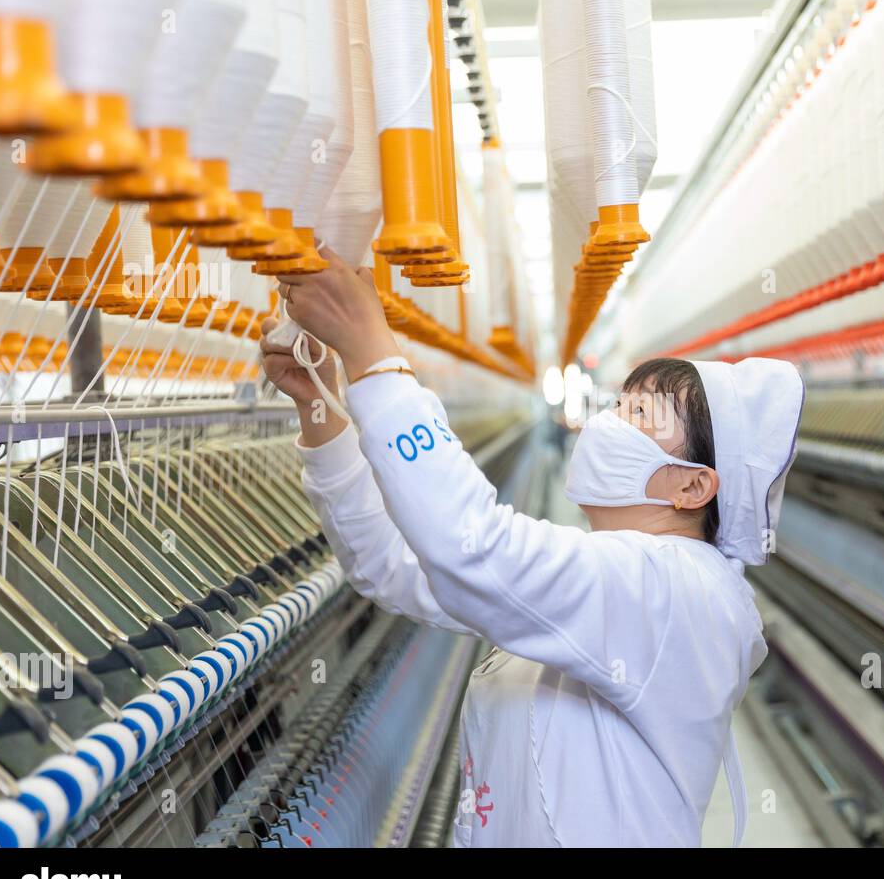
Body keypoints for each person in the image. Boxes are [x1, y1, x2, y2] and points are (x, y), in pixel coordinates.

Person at [261, 249, 805, 847]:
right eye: (617, 405)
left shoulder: (678, 593)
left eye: (639, 415)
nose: (609, 423)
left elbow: (473, 546)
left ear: (693, 485)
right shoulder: (613, 577)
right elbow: (394, 568)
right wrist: (320, 407)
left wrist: (375, 356)